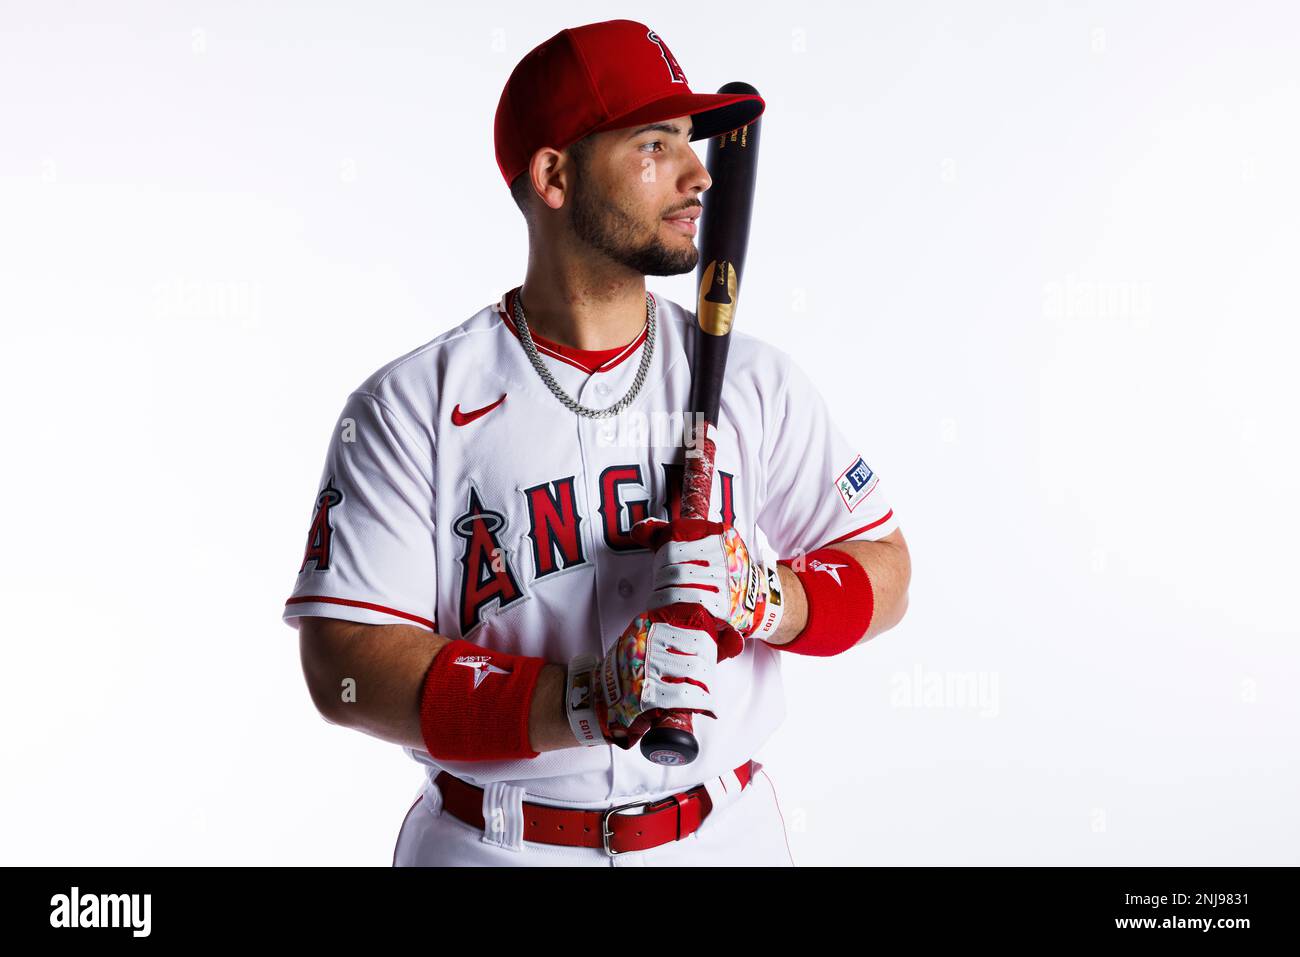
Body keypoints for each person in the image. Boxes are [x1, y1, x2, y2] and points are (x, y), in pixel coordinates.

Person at [282, 18, 911, 867]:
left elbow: (885, 563)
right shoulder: (411, 406)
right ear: (554, 174)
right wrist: (582, 698)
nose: (698, 175)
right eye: (656, 145)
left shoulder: (755, 380)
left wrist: (768, 594)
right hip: (496, 840)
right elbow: (344, 664)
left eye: (691, 142)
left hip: (721, 836)